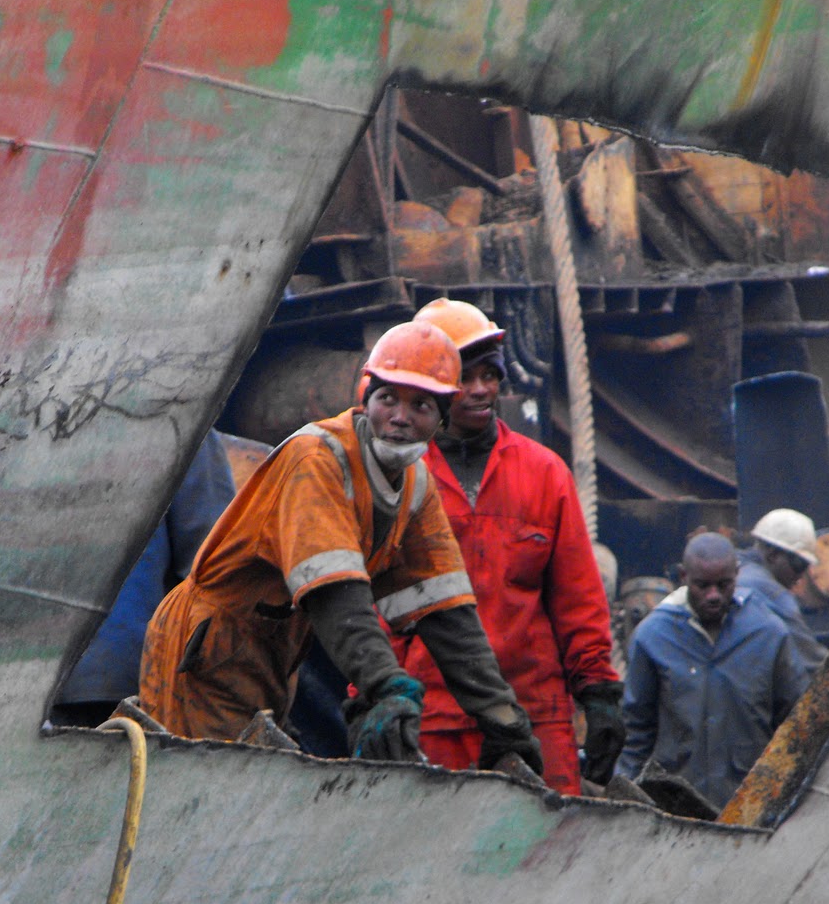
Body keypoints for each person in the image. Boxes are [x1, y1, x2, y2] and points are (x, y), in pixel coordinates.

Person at [138, 321, 545, 775]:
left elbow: (447, 616)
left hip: (274, 647)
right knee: (209, 787)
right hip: (210, 646)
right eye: (388, 398)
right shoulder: (316, 458)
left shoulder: (414, 484)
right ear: (365, 397)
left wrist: (503, 720)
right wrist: (386, 686)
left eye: (422, 404)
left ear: (443, 419)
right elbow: (335, 594)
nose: (400, 416)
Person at [393, 298, 623, 795]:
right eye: (465, 377)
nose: (480, 389)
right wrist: (378, 697)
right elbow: (377, 606)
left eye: (490, 375)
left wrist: (599, 694)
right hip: (436, 718)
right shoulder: (404, 476)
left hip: (535, 718)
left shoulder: (544, 474)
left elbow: (578, 597)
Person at [51, 431, 236, 727]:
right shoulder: (185, 422)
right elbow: (218, 568)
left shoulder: (28, 419)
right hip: (135, 675)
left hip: (23, 679)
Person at [616, 532, 809, 811]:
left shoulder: (767, 633)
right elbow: (637, 731)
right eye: (702, 585)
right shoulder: (653, 638)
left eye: (724, 584)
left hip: (750, 803)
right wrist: (625, 800)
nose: (714, 596)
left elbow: (794, 721)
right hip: (676, 807)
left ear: (737, 575)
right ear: (683, 576)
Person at [737, 507, 829, 681]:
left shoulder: (731, 567)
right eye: (799, 565)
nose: (801, 576)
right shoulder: (773, 594)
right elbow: (815, 663)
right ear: (772, 556)